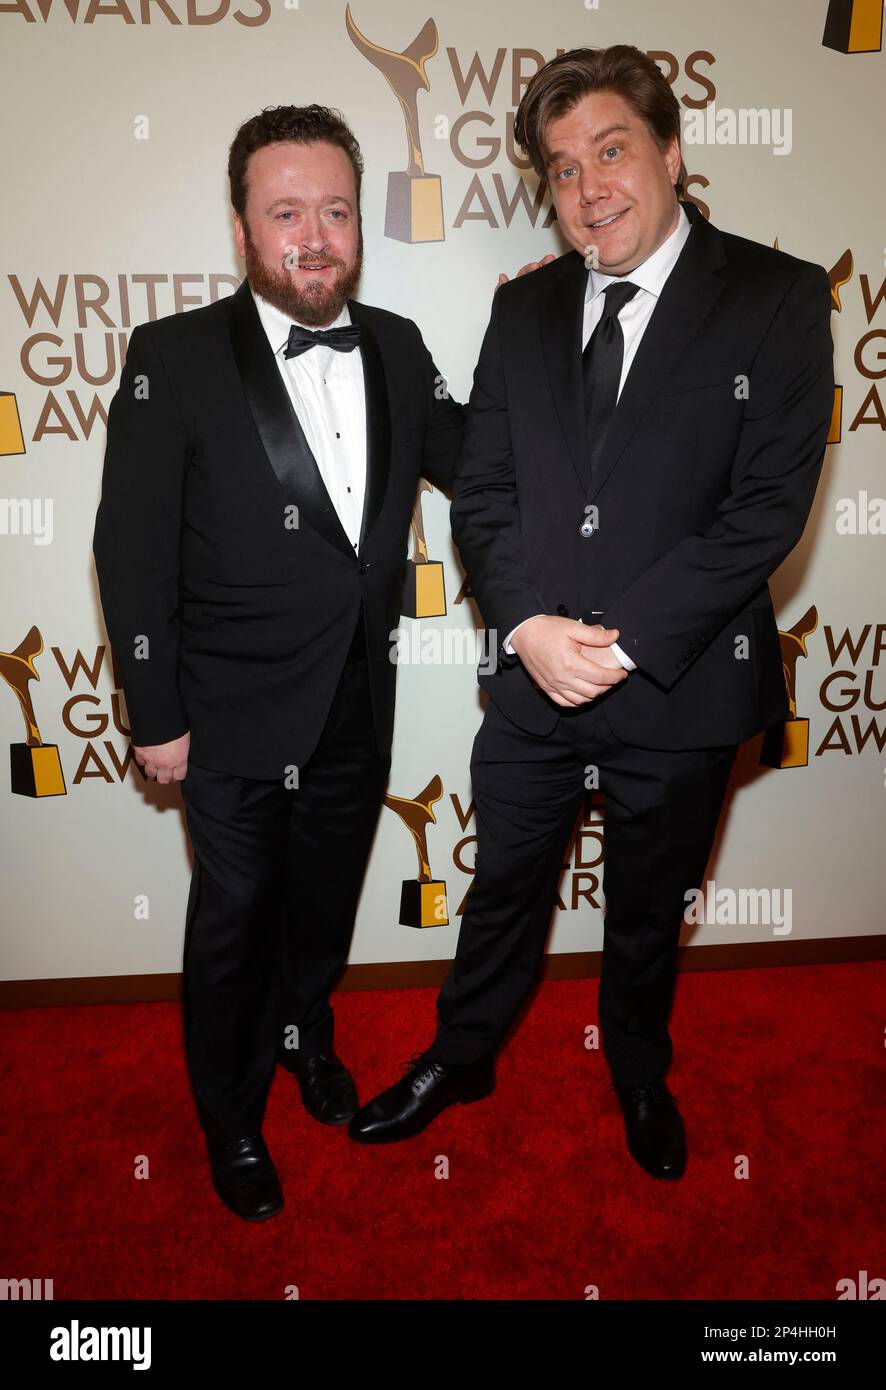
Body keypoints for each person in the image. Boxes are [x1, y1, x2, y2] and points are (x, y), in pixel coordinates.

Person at [349, 45, 834, 1180]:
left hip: (680, 676)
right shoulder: (523, 310)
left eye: (610, 151)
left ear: (670, 152)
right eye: (562, 169)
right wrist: (524, 629)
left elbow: (765, 509)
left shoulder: (776, 296)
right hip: (533, 675)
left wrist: (617, 646)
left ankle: (635, 1066)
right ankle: (461, 1056)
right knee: (502, 890)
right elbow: (489, 487)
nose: (588, 188)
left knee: (646, 907)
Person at [92, 104, 468, 1222]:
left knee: (319, 910)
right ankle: (230, 1116)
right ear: (244, 227)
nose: (316, 235)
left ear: (361, 223)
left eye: (336, 210)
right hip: (229, 715)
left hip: (357, 701)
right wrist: (153, 711)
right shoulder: (174, 357)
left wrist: (546, 327)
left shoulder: (396, 344)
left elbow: (477, 454)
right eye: (287, 211)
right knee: (235, 920)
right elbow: (131, 544)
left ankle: (307, 1039)